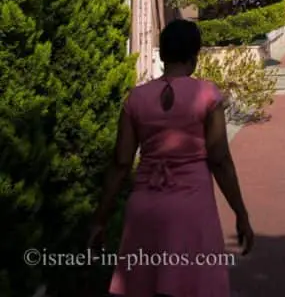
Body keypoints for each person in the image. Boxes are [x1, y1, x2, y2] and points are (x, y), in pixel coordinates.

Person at [90, 19, 254, 297]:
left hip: (145, 208)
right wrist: (241, 213)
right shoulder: (207, 95)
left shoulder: (136, 99)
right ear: (194, 57)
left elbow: (120, 163)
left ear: (163, 55)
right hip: (192, 210)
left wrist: (100, 219)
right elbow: (219, 160)